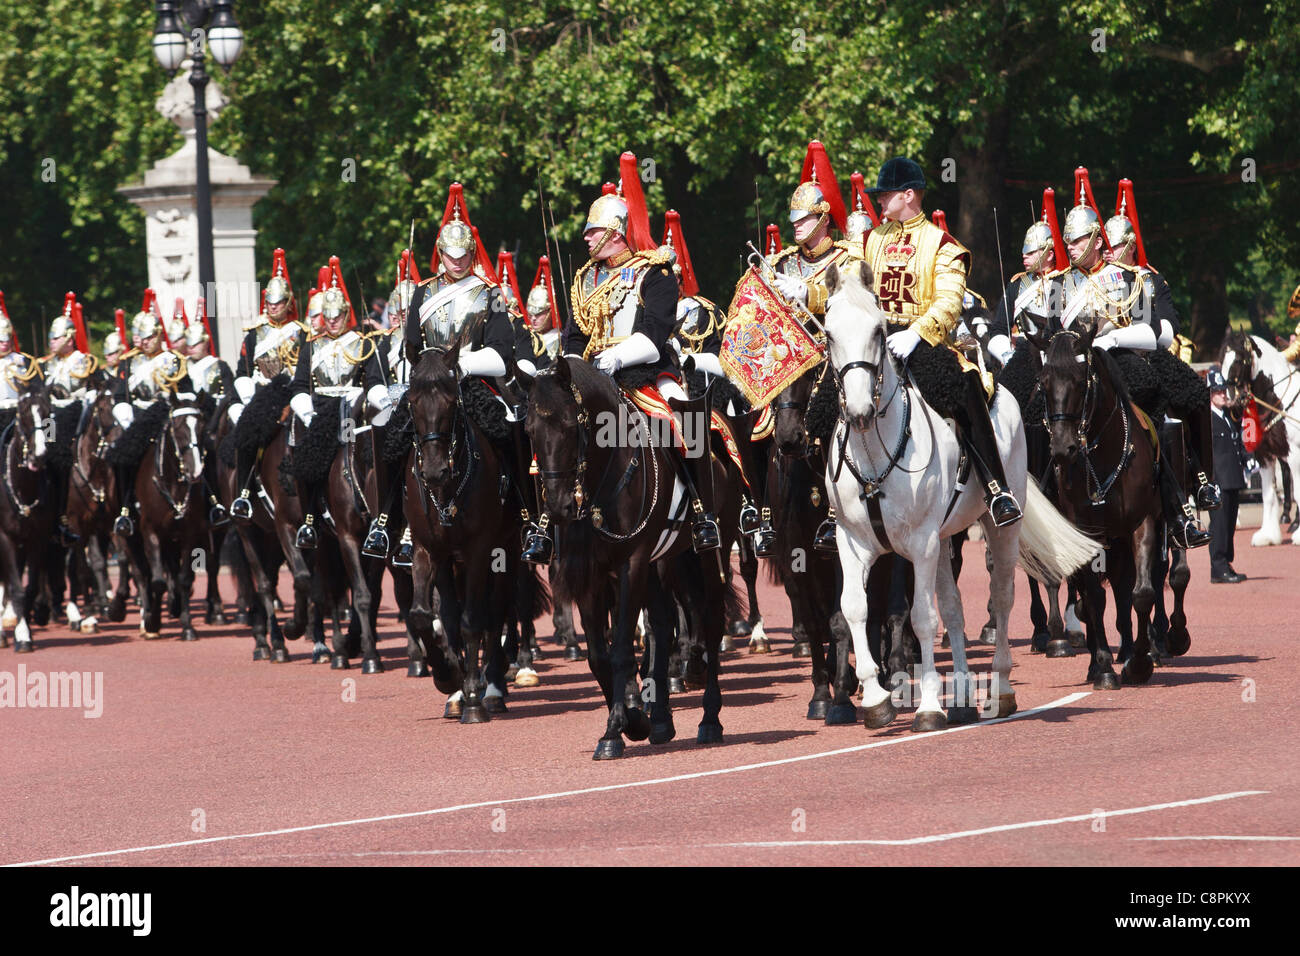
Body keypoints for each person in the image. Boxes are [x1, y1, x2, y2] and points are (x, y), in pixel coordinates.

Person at [556, 151, 719, 557]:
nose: (586, 238)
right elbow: (574, 337)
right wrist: (575, 368)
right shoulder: (584, 280)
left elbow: (654, 333)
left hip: (643, 372)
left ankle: (703, 514)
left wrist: (616, 358)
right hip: (592, 376)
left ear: (614, 231)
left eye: (592, 231)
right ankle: (544, 522)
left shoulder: (654, 272)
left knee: (684, 418)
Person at [1049, 168, 1210, 549]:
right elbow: (1057, 331)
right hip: (1076, 364)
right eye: (1068, 241)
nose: (1069, 247)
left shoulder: (1127, 278)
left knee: (1153, 403)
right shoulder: (1059, 283)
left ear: (1094, 239)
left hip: (1119, 359)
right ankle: (1030, 493)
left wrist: (1111, 338)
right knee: (1039, 408)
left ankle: (1176, 503)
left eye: (1077, 240)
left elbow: (1153, 331)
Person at [862, 157, 1022, 531]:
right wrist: (810, 291)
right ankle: (833, 506)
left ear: (908, 195)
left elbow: (950, 302)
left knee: (965, 385)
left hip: (923, 343)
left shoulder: (944, 245)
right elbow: (850, 286)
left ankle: (996, 489)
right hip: (876, 341)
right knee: (828, 390)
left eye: (885, 196)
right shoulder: (869, 240)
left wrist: (916, 333)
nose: (879, 203)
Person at [1104, 178, 1219, 512]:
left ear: (1128, 245)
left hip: (1151, 353)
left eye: (1113, 246)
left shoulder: (1150, 279)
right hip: (1108, 356)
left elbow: (1168, 327)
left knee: (1196, 395)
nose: (1108, 253)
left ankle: (1201, 479)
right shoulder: (1097, 279)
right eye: (1104, 246)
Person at [288, 256, 385, 550]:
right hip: (321, 411)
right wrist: (307, 411)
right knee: (305, 460)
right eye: (327, 318)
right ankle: (309, 520)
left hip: (355, 410)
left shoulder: (362, 342)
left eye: (337, 317)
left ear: (346, 314)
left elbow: (374, 381)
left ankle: (388, 519)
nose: (332, 322)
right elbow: (300, 385)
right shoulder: (311, 346)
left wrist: (373, 398)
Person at [110, 292, 188, 535]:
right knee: (120, 456)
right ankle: (125, 509)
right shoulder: (128, 362)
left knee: (202, 447)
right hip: (140, 419)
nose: (144, 343)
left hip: (168, 415)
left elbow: (186, 390)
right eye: (141, 338)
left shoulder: (172, 360)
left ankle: (213, 503)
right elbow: (120, 395)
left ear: (158, 336)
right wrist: (125, 413)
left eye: (149, 338)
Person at [1207, 368, 1248, 582]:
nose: (1223, 394)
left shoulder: (1228, 416)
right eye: (1218, 391)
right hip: (1218, 480)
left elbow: (1237, 442)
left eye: (1223, 390)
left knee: (1230, 525)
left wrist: (1247, 460)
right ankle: (1218, 568)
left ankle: (1227, 563)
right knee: (1220, 526)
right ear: (1210, 394)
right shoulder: (1207, 419)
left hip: (1232, 477)